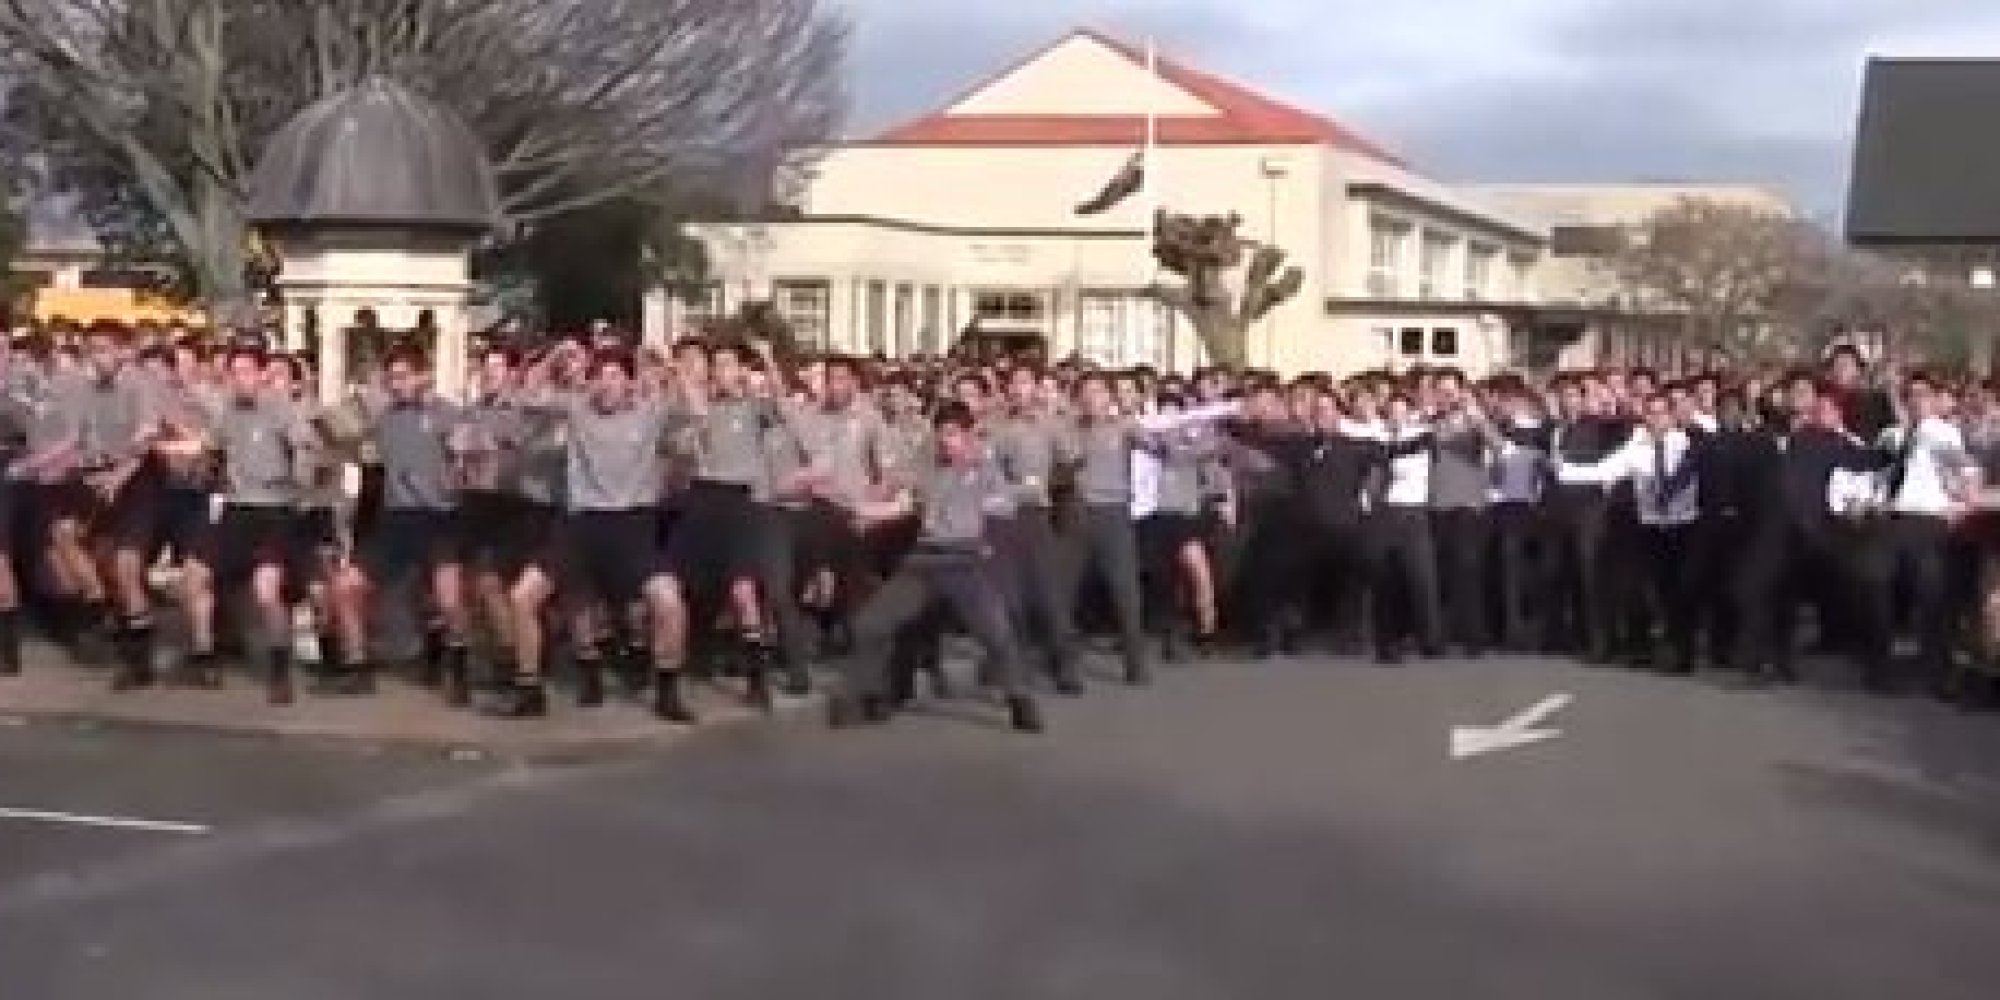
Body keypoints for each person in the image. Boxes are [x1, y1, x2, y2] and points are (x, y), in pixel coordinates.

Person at [825, 401, 1043, 734]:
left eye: (953, 434)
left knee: (997, 633)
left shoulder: (985, 469)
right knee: (871, 624)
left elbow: (1008, 502)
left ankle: (1020, 699)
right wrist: (864, 511)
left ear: (969, 435)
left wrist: (1014, 497)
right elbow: (903, 505)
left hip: (964, 561)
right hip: (924, 559)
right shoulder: (926, 469)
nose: (946, 442)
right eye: (941, 434)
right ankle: (863, 693)